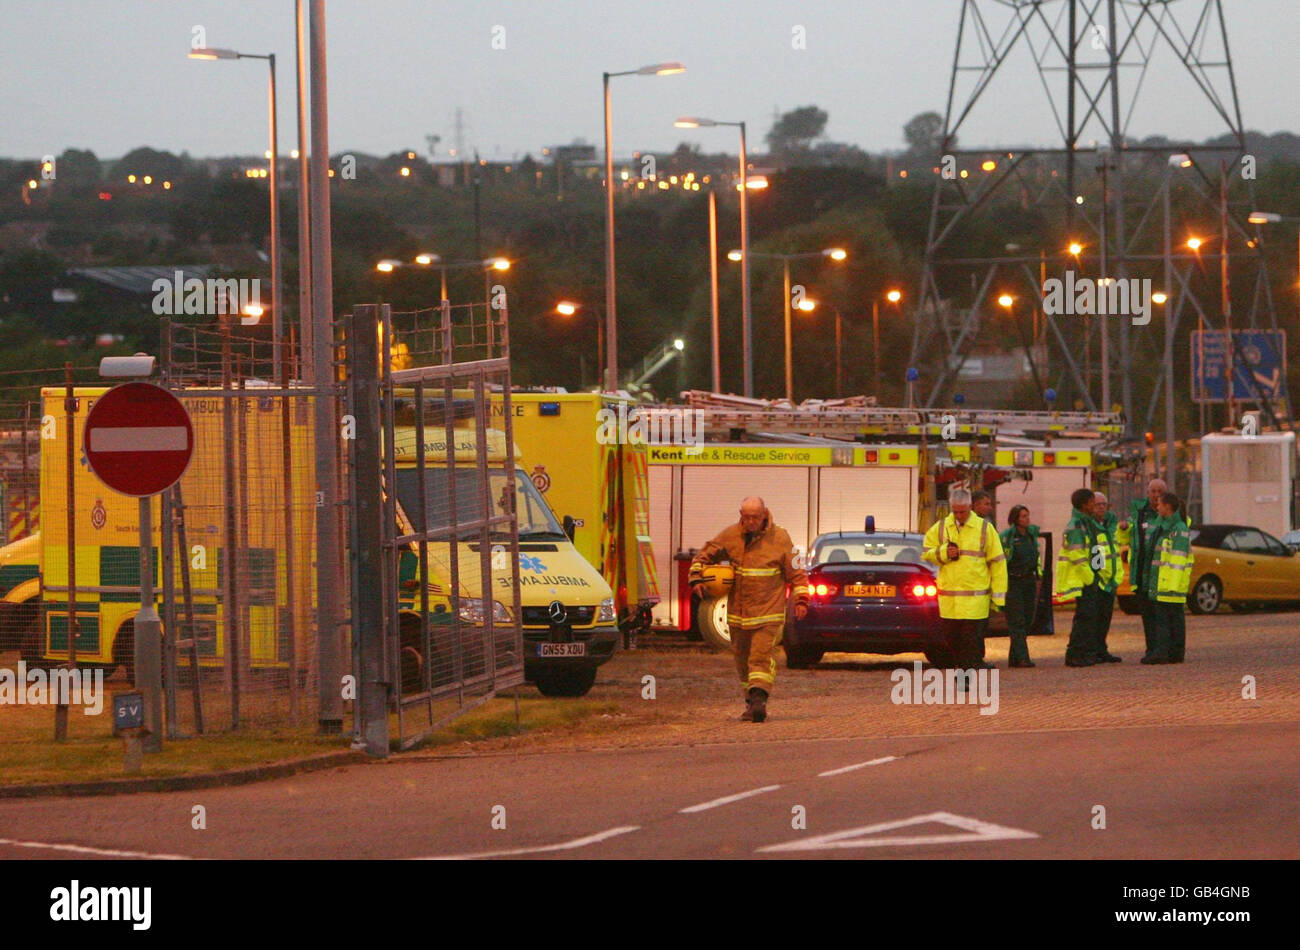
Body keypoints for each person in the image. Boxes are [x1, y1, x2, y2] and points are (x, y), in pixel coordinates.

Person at [689, 497, 809, 722]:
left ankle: (759, 700)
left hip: (768, 612)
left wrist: (802, 600)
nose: (751, 521)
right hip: (738, 614)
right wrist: (696, 578)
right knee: (742, 659)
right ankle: (750, 700)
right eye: (746, 517)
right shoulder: (730, 535)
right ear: (740, 515)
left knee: (760, 657)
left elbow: (797, 574)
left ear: (764, 514)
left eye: (755, 517)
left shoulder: (780, 538)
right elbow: (703, 556)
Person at [922, 488, 1007, 674]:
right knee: (952, 640)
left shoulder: (985, 529)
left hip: (975, 600)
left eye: (963, 511)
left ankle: (965, 677)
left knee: (970, 641)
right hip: (949, 600)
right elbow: (926, 552)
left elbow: (998, 563)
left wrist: (998, 597)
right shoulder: (942, 527)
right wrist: (944, 553)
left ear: (970, 507)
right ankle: (967, 671)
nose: (959, 515)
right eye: (956, 511)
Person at [1055, 487, 1110, 667]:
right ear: (1085, 504)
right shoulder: (1076, 526)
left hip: (1090, 577)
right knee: (1083, 618)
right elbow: (1077, 555)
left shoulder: (1087, 523)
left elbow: (1095, 549)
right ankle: (1075, 654)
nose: (1095, 505)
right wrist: (1090, 579)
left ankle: (1085, 652)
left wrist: (1099, 572)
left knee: (1089, 618)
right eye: (1092, 501)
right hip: (1083, 579)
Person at [1141, 492, 1194, 664]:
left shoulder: (1177, 528)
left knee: (1165, 620)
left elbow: (1178, 559)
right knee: (1173, 619)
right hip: (1165, 582)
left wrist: (1171, 584)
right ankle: (1173, 653)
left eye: (1160, 504)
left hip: (1169, 584)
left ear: (1168, 507)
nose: (1157, 507)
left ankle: (1163, 653)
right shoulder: (1167, 526)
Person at [1117, 478, 1166, 661]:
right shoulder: (1139, 513)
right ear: (1147, 493)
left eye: (1160, 491)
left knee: (1161, 615)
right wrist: (1122, 529)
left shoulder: (1169, 513)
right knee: (1147, 615)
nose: (1156, 495)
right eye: (1153, 491)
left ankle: (1162, 650)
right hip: (1140, 573)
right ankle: (1151, 649)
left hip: (1161, 575)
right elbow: (1124, 538)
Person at [998, 505, 1041, 667]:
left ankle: (1014, 657)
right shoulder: (1008, 537)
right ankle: (1023, 657)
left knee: (1028, 618)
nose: (1027, 519)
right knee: (1017, 621)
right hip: (1013, 582)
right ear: (1015, 519)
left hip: (1028, 581)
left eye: (1027, 515)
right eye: (1023, 516)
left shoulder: (1031, 536)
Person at [1090, 492, 1123, 663]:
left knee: (1105, 618)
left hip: (1110, 580)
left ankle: (1101, 649)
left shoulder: (1111, 525)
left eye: (1104, 504)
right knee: (1095, 618)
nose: (1102, 507)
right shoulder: (1091, 526)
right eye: (1098, 504)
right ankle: (1094, 650)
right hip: (1098, 580)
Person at [970, 490, 995, 663]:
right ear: (975, 505)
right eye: (986, 503)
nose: (990, 507)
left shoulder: (986, 524)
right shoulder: (973, 526)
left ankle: (977, 658)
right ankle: (974, 659)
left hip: (981, 584)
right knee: (974, 625)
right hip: (972, 585)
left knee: (981, 624)